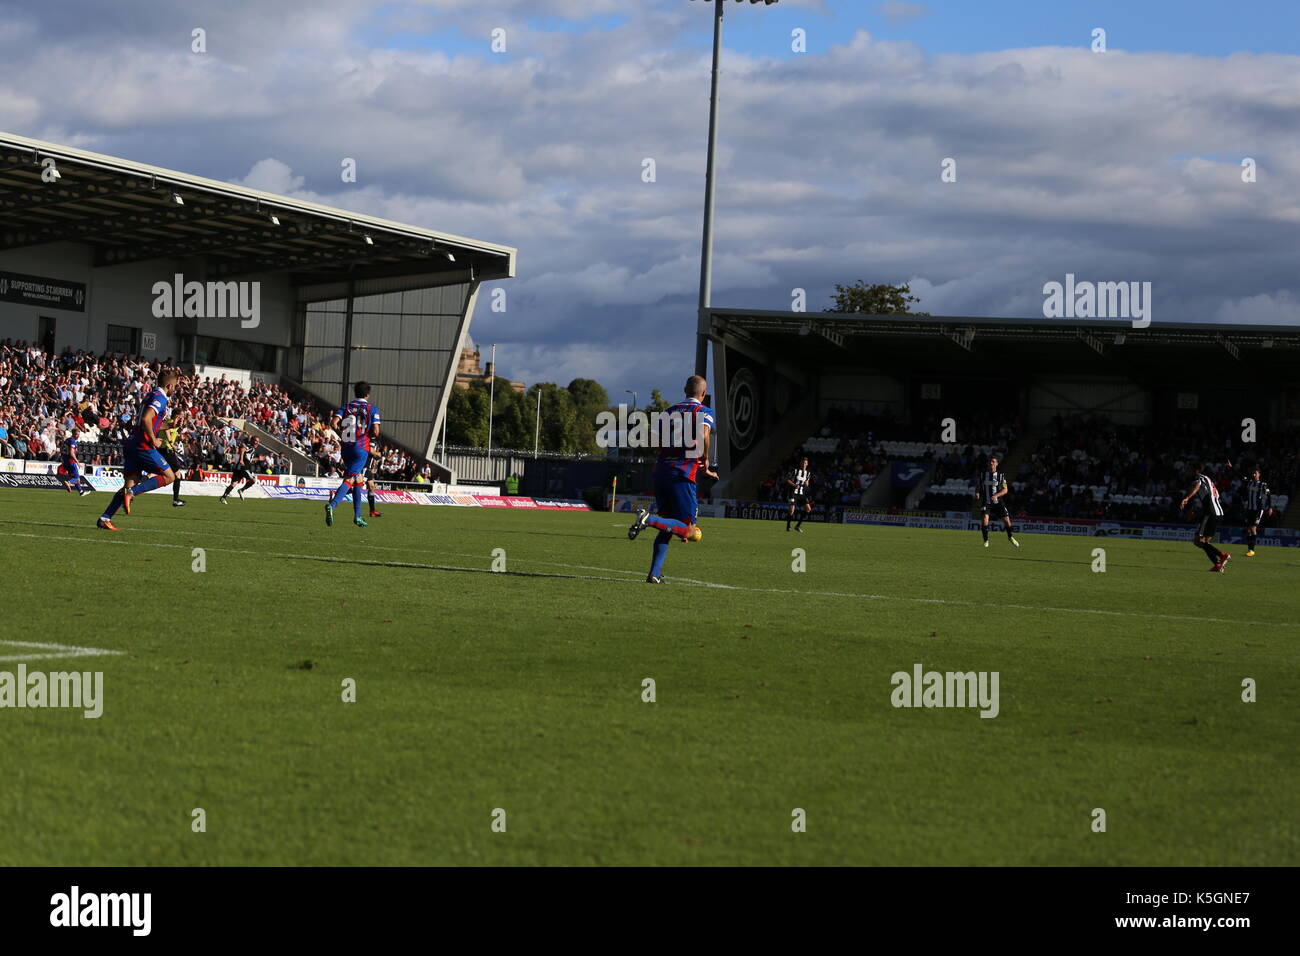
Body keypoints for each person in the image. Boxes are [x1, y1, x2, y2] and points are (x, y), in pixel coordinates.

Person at [627, 375, 717, 583]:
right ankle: (647, 519)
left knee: (668, 525)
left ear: (684, 390)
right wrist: (705, 462)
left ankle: (654, 574)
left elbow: (651, 439)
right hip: (682, 474)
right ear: (703, 394)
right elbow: (704, 435)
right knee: (689, 530)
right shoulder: (703, 411)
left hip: (662, 471)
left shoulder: (669, 411)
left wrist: (670, 448)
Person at [97, 368, 179, 531]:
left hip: (132, 443)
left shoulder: (150, 395)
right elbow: (146, 418)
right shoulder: (160, 398)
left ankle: (105, 518)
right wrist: (154, 439)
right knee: (170, 476)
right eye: (175, 386)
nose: (175, 390)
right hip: (143, 445)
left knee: (128, 485)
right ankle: (132, 493)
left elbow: (151, 421)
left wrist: (168, 425)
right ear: (169, 386)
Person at [326, 382, 381, 528]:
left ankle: (358, 516)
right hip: (361, 448)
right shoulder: (372, 408)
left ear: (355, 393)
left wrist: (341, 432)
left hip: (346, 447)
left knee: (358, 479)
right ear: (367, 394)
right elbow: (375, 431)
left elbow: (334, 422)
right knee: (350, 478)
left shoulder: (347, 406)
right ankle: (333, 504)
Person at [1179, 461, 1230, 572]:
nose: (1187, 471)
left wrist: (1187, 497)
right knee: (1205, 542)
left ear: (1195, 470)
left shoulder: (1200, 479)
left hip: (1210, 513)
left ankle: (1222, 555)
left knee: (1198, 541)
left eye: (1189, 469)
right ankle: (1217, 565)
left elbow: (1197, 486)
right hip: (1218, 513)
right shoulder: (1208, 479)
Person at [975, 454, 1019, 548]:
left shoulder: (1000, 476)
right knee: (984, 519)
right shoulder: (983, 474)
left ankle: (1010, 537)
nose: (991, 463)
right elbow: (978, 485)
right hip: (986, 501)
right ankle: (986, 540)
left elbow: (1005, 490)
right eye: (990, 461)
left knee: (1007, 520)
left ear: (997, 464)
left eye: (993, 461)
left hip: (998, 501)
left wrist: (996, 495)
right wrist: (977, 492)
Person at [220, 436, 260, 503]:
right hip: (244, 467)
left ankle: (223, 497)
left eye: (258, 441)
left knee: (234, 484)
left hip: (238, 468)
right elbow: (242, 449)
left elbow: (248, 457)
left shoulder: (251, 448)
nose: (257, 443)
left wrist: (257, 459)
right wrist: (241, 460)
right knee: (253, 480)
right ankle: (241, 490)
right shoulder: (250, 447)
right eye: (256, 441)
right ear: (252, 440)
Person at [785, 457, 813, 532]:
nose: (804, 464)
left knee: (808, 509)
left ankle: (798, 526)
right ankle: (788, 527)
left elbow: (807, 483)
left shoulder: (808, 473)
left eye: (805, 463)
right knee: (791, 510)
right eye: (803, 463)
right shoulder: (795, 471)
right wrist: (794, 485)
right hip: (793, 493)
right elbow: (787, 479)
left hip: (801, 494)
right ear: (800, 463)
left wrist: (807, 484)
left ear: (807, 464)